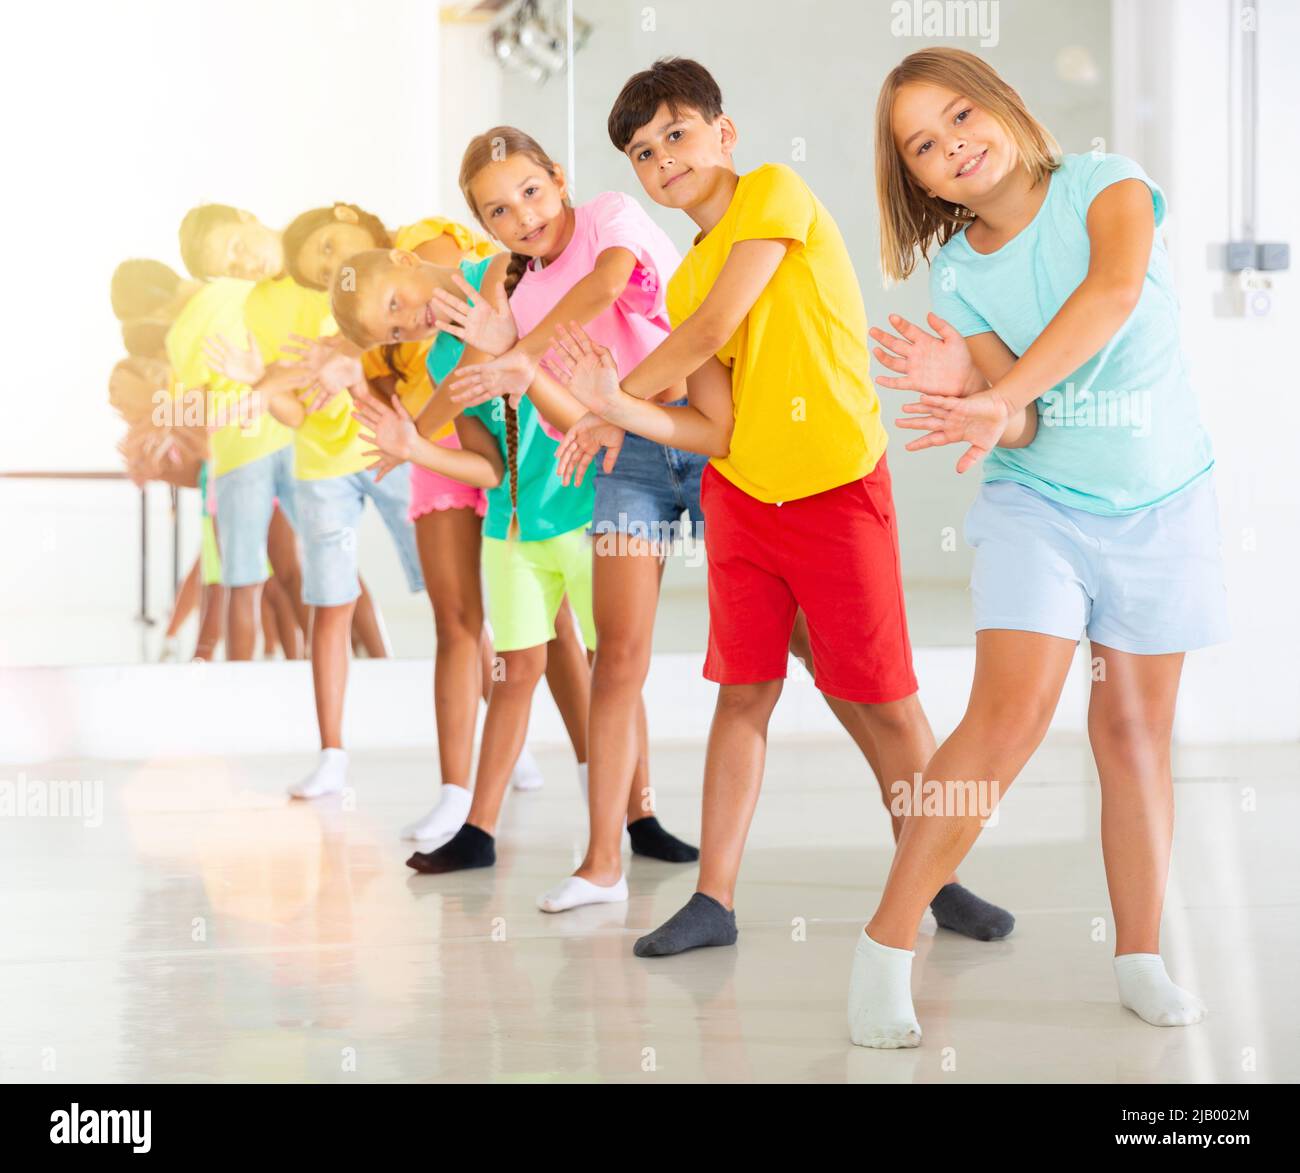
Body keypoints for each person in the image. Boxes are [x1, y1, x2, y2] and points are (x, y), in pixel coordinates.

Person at [837, 47, 1229, 1047]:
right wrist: (974, 403)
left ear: (1003, 106)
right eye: (922, 144)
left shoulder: (1107, 184)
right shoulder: (961, 269)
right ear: (914, 179)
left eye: (960, 115)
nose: (951, 145)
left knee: (1134, 736)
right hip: (1039, 508)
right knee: (1006, 720)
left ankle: (1139, 953)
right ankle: (884, 949)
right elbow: (1025, 426)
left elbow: (1112, 291)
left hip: (1162, 505)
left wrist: (993, 394)